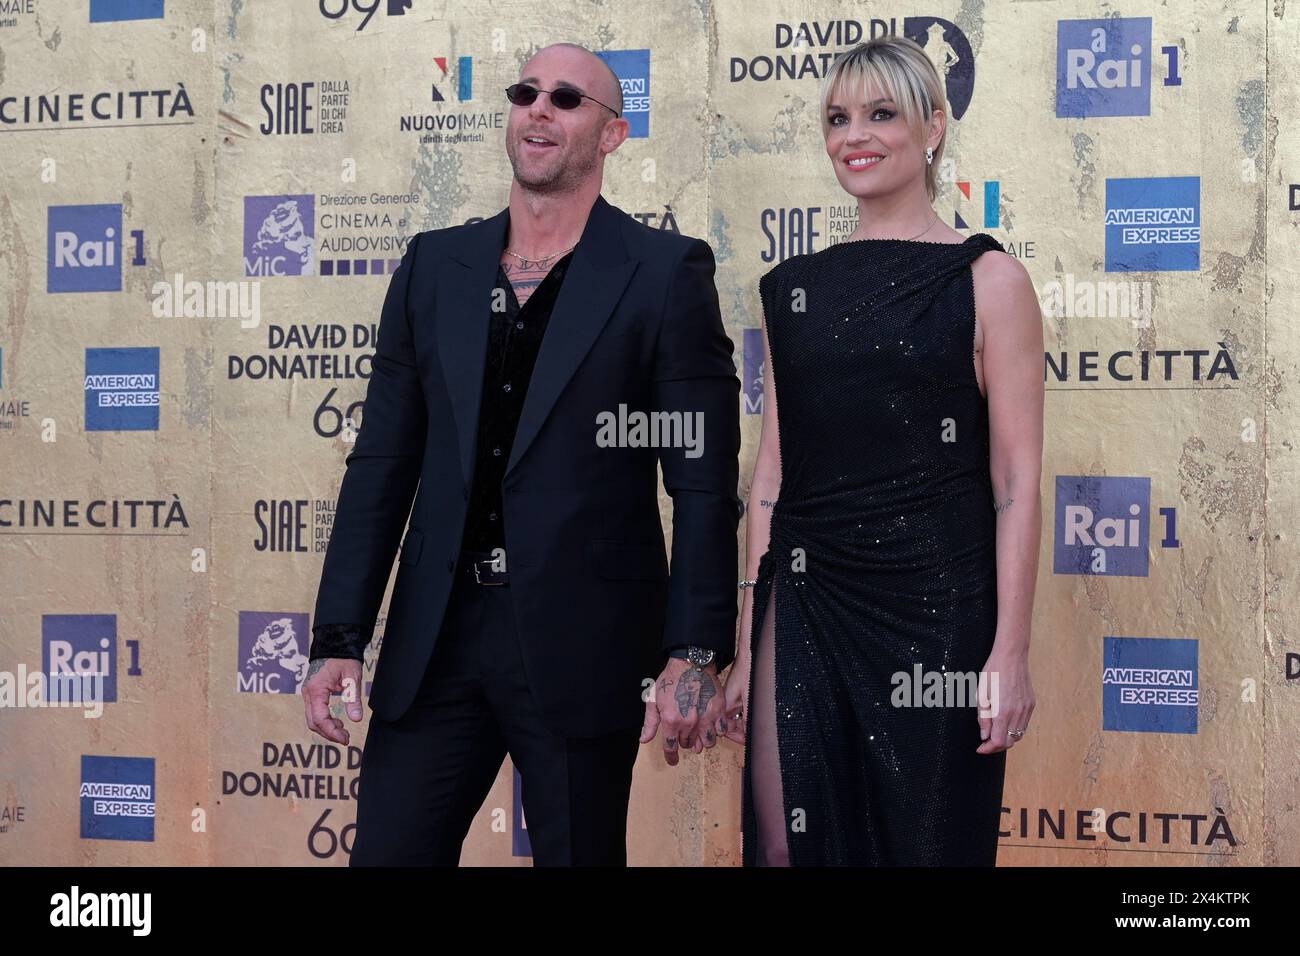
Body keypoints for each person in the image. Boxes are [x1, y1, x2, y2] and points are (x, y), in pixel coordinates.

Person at [302, 42, 740, 866]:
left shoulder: (661, 273)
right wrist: (338, 638)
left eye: (568, 99)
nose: (540, 109)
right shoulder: (437, 265)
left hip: (586, 641)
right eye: (527, 92)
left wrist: (696, 651)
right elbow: (382, 464)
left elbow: (704, 484)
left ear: (611, 135)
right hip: (437, 638)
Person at [721, 36, 1043, 866]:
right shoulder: (790, 291)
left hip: (937, 612)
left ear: (933, 127)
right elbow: (770, 480)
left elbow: (1014, 482)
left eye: (879, 114)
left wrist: (1009, 651)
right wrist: (747, 644)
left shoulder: (988, 279)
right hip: (805, 599)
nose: (853, 135)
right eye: (837, 118)